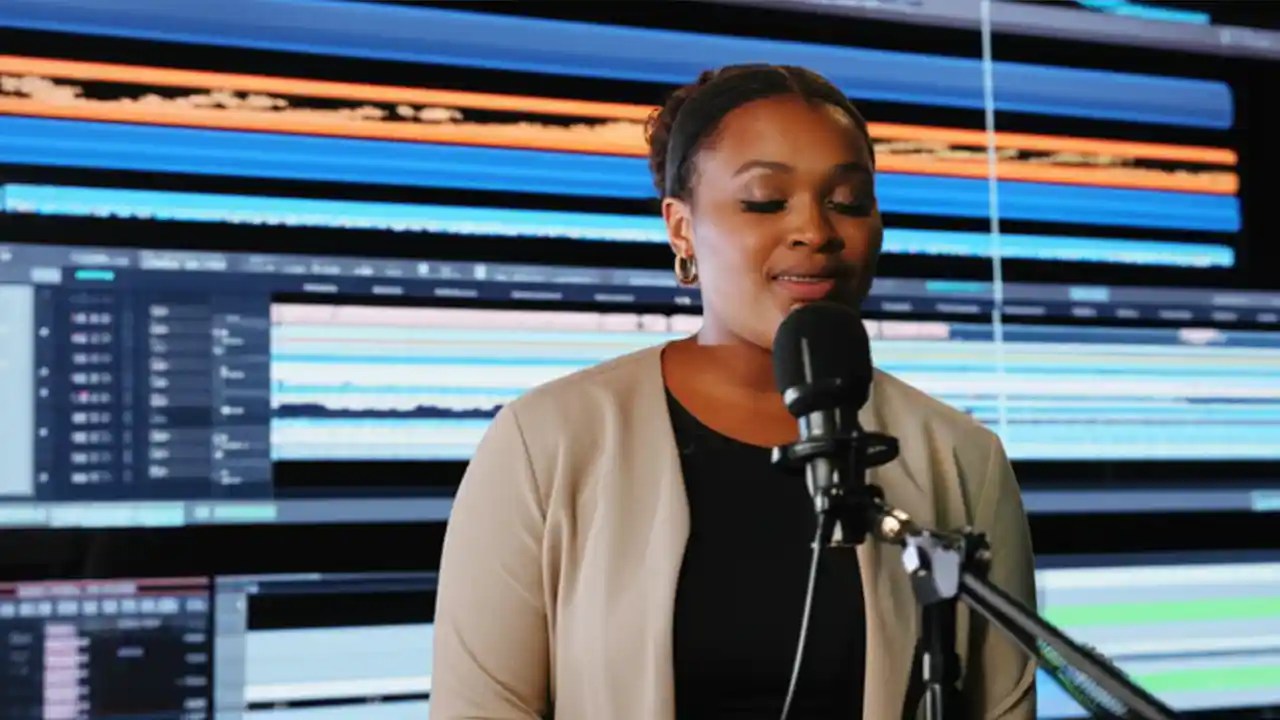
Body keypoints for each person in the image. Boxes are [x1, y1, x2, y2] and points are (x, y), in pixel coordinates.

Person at [431, 64, 1036, 720]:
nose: (816, 231)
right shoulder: (545, 443)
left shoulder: (962, 459)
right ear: (681, 228)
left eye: (849, 201)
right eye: (765, 201)